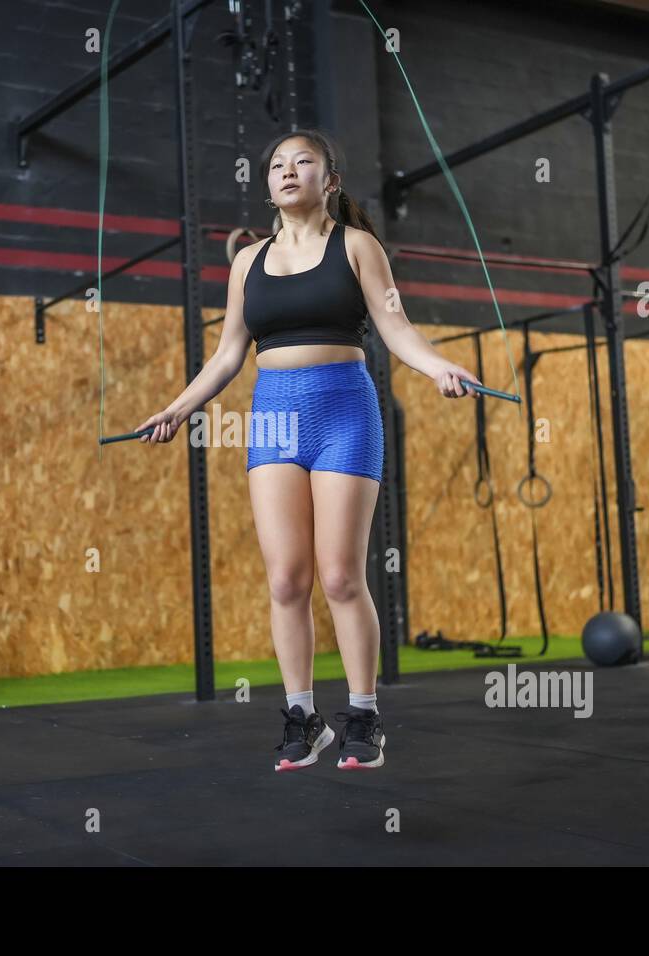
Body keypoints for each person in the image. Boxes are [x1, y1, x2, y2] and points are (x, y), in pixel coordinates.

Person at [136, 128, 481, 772]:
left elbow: (395, 327)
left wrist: (438, 369)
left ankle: (364, 715)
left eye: (304, 162)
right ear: (267, 182)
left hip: (343, 406)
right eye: (277, 165)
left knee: (342, 576)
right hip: (273, 415)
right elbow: (229, 354)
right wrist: (180, 408)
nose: (288, 171)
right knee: (287, 579)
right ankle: (302, 717)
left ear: (331, 181)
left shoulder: (356, 246)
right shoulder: (247, 262)